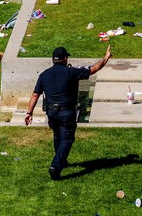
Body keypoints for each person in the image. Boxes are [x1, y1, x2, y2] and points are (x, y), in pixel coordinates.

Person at [25, 45, 112, 180]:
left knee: (57, 135)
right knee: (67, 139)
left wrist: (29, 113)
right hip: (66, 112)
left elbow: (35, 95)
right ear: (65, 59)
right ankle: (55, 166)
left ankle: (62, 161)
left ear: (52, 59)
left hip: (51, 112)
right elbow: (94, 69)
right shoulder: (71, 72)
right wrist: (105, 58)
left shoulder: (44, 75)